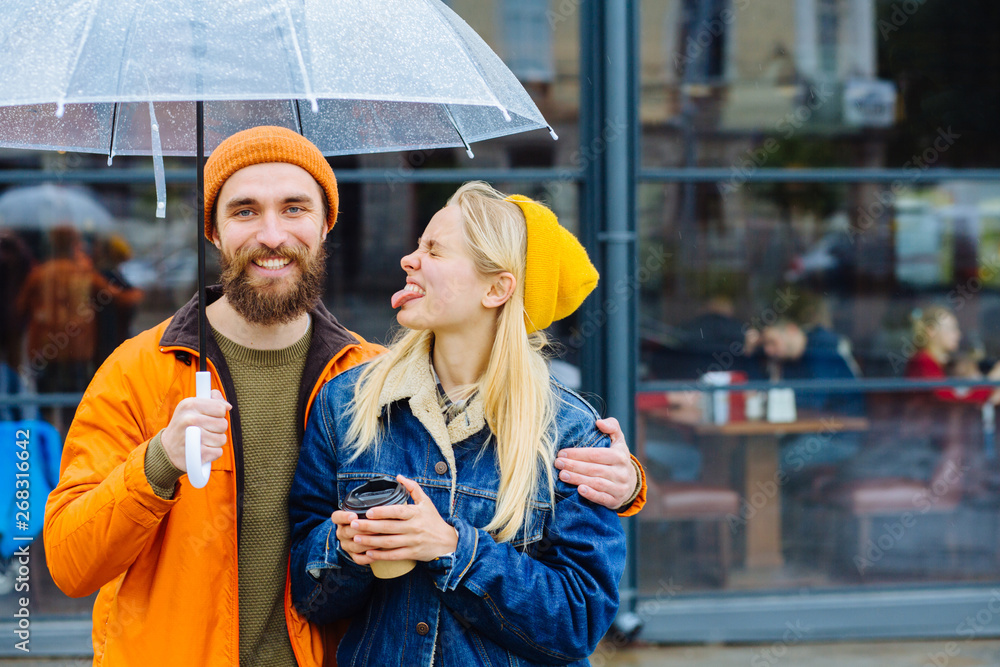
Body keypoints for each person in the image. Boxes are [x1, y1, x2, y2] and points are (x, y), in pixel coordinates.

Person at [43, 126, 645, 666]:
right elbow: (70, 563)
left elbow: (491, 426)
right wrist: (159, 462)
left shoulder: (367, 382)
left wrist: (627, 483)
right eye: (245, 211)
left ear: (325, 224)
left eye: (295, 208)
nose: (272, 234)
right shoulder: (139, 371)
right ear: (216, 232)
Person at [289, 182, 624, 666]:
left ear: (496, 288)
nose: (409, 259)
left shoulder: (571, 434)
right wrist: (342, 548)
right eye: (417, 245)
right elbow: (309, 598)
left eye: (434, 249)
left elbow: (577, 622)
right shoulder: (348, 404)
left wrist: (452, 546)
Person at [754, 314, 865, 477]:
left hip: (841, 437)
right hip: (812, 433)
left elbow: (811, 405)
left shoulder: (821, 352)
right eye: (764, 345)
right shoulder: (791, 361)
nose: (768, 350)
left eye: (772, 342)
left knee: (770, 463)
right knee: (758, 456)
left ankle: (777, 502)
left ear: (791, 331)